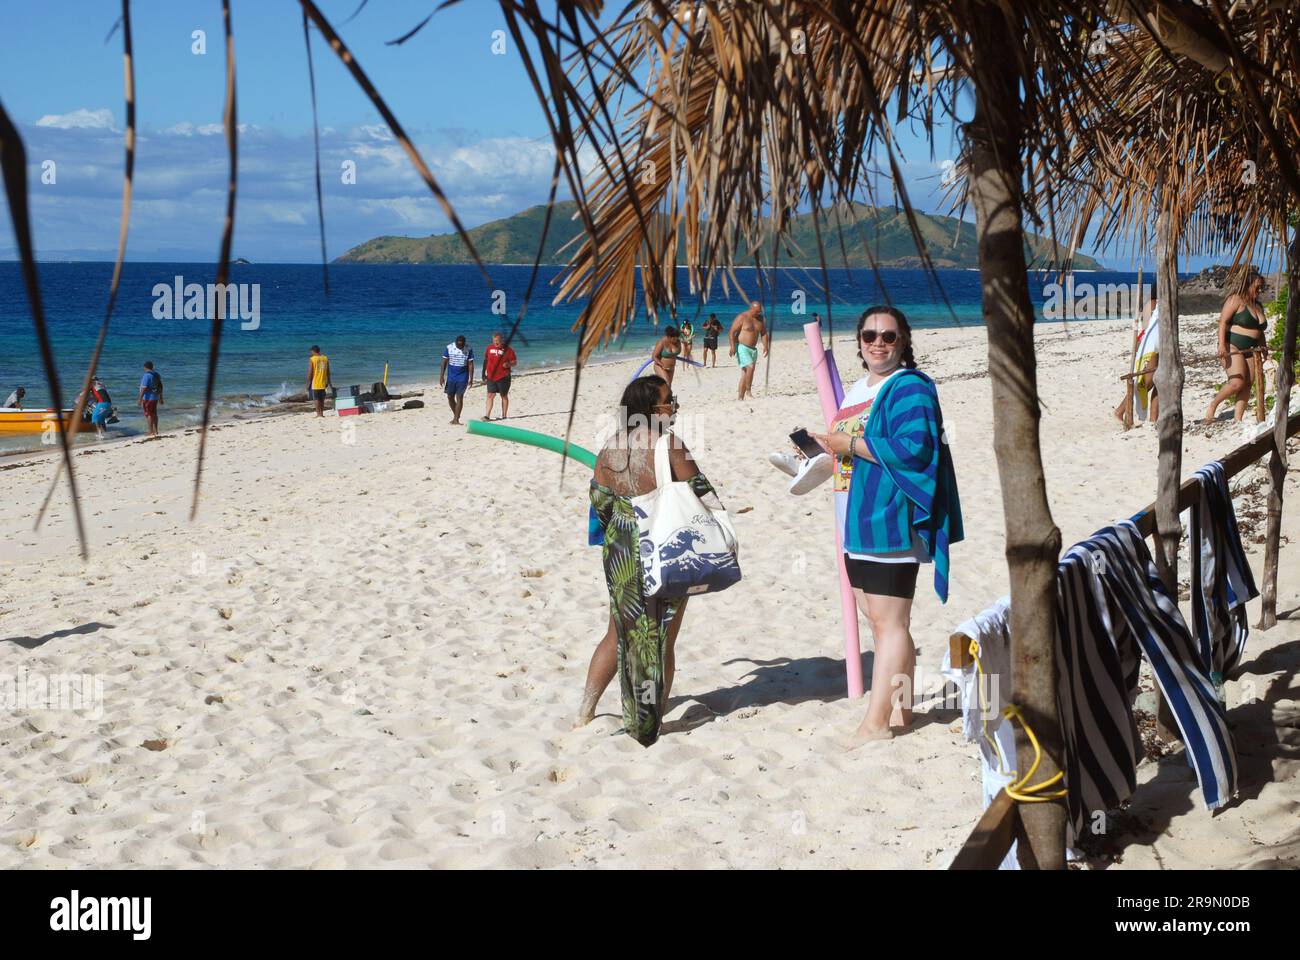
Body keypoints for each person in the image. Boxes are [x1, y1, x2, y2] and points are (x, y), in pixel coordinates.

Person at [811, 306, 963, 746]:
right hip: (854, 516)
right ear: (858, 340)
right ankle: (902, 708)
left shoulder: (910, 387)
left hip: (890, 517)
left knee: (890, 622)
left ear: (904, 341)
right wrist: (823, 454)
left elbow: (916, 449)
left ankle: (875, 724)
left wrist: (851, 443)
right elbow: (850, 448)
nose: (878, 343)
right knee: (880, 621)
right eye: (870, 335)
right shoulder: (860, 387)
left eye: (889, 337)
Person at [577, 375, 726, 746]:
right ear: (648, 408)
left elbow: (599, 504)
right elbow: (703, 494)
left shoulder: (608, 448)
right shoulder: (670, 444)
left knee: (617, 632)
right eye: (667, 401)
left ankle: (586, 711)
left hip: (621, 554)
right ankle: (651, 721)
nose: (673, 407)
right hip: (664, 550)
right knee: (662, 637)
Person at [1205, 272, 1269, 423]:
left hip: (1251, 349)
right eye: (1257, 287)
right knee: (1237, 382)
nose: (1260, 290)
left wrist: (1264, 350)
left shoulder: (1258, 305)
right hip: (1231, 345)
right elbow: (1223, 322)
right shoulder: (1236, 299)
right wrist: (1221, 345)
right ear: (1248, 285)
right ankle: (1213, 406)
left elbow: (1260, 332)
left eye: (1261, 287)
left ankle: (1237, 419)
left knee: (1248, 383)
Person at [1114, 294, 1159, 425]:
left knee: (1159, 382)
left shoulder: (1166, 304)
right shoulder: (1152, 303)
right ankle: (1121, 410)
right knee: (1147, 381)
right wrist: (1138, 345)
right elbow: (1143, 328)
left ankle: (1154, 418)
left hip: (1161, 344)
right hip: (1150, 346)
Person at [728, 301, 768, 399]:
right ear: (751, 309)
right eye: (756, 312)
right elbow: (732, 332)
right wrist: (732, 346)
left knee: (745, 373)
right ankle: (748, 391)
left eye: (760, 312)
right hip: (742, 347)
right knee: (750, 368)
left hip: (753, 350)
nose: (758, 313)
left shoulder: (760, 319)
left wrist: (766, 346)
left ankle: (740, 397)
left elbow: (763, 333)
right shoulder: (742, 317)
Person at [440, 334, 474, 425]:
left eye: (462, 345)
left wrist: (471, 378)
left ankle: (456, 419)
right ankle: (456, 415)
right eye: (458, 345)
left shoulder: (468, 349)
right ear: (455, 343)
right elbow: (444, 362)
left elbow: (470, 364)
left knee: (459, 397)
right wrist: (441, 376)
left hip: (463, 376)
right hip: (451, 376)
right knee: (450, 396)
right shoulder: (449, 347)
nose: (460, 346)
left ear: (464, 343)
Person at [483, 332, 517, 420]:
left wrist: (508, 364)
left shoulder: (508, 350)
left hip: (503, 376)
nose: (496, 343)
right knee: (490, 395)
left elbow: (515, 362)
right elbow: (486, 360)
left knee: (503, 396)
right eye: (494, 341)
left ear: (501, 340)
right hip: (491, 376)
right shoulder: (489, 348)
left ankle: (504, 416)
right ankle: (487, 415)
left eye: (497, 341)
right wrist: (483, 373)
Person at [306, 345, 333, 418]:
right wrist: (329, 381)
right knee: (322, 399)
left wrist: (308, 383)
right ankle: (322, 414)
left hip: (315, 382)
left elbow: (310, 372)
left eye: (311, 351)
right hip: (323, 382)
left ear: (313, 351)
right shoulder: (325, 358)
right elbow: (328, 372)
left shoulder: (312, 359)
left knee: (316, 399)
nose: (311, 353)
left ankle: (318, 414)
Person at [138, 361, 164, 436]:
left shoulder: (146, 375)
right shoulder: (156, 374)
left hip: (148, 398)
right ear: (152, 367)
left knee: (148, 414)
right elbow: (160, 386)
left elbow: (144, 388)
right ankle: (156, 430)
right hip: (155, 397)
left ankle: (150, 431)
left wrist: (140, 398)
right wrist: (161, 397)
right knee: (154, 414)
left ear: (145, 367)